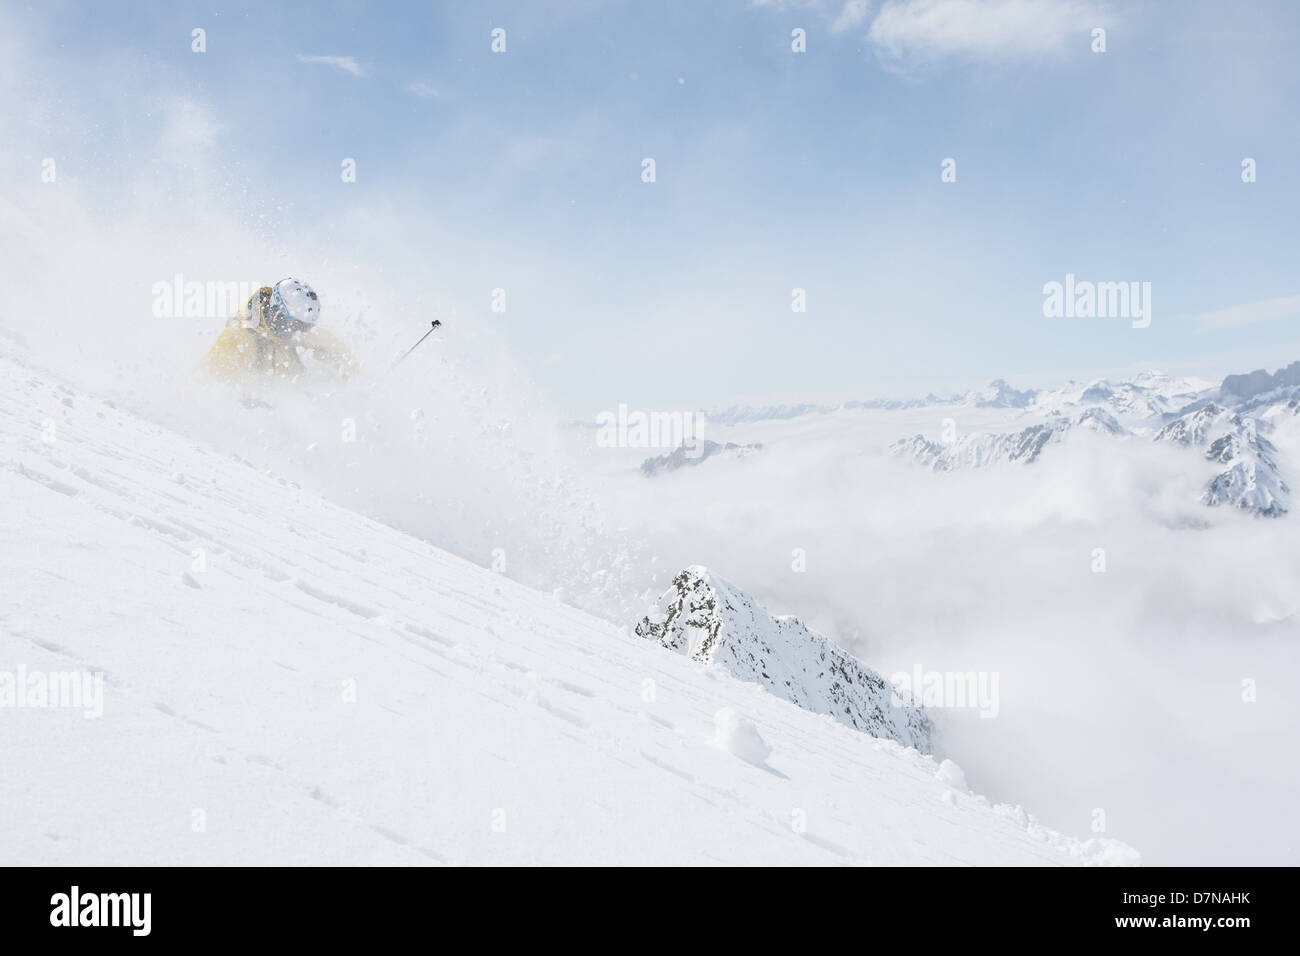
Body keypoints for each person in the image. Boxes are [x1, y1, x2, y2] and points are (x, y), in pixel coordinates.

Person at [200, 278, 357, 383]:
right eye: (294, 325)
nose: (299, 333)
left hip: (295, 406)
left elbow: (341, 355)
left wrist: (352, 379)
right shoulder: (239, 338)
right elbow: (207, 382)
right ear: (276, 312)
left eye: (305, 327)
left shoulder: (291, 333)